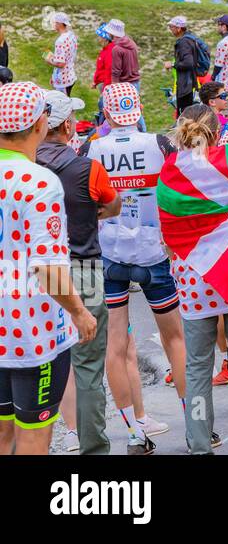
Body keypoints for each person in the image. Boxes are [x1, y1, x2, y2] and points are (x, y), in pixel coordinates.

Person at [84, 83, 193, 454]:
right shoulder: (160, 143)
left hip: (111, 253)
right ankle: (196, 428)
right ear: (138, 109)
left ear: (107, 113)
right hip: (155, 251)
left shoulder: (93, 148)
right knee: (176, 340)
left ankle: (134, 433)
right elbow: (181, 190)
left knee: (115, 345)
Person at [0, 83, 98, 456]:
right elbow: (48, 267)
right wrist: (78, 311)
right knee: (33, 438)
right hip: (31, 330)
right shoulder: (39, 182)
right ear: (40, 123)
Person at [168, 105, 228, 454]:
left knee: (197, 369)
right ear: (217, 134)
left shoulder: (171, 172)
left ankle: (198, 444)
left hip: (194, 280)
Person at [35, 90, 120, 456]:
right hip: (83, 267)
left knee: (38, 366)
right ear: (68, 126)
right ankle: (93, 448)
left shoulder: (25, 169)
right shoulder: (89, 167)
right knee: (87, 367)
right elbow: (112, 205)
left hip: (35, 273)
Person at [168, 15, 204, 111]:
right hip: (190, 83)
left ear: (179, 28)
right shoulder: (190, 38)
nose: (170, 29)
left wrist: (172, 65)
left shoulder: (184, 42)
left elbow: (188, 63)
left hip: (186, 86)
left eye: (172, 27)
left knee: (185, 114)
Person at [45, 11, 78, 96]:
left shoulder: (60, 41)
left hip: (63, 80)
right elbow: (67, 55)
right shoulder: (71, 35)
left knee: (63, 106)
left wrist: (49, 60)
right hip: (70, 75)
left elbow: (61, 64)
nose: (53, 24)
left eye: (54, 22)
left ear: (59, 24)